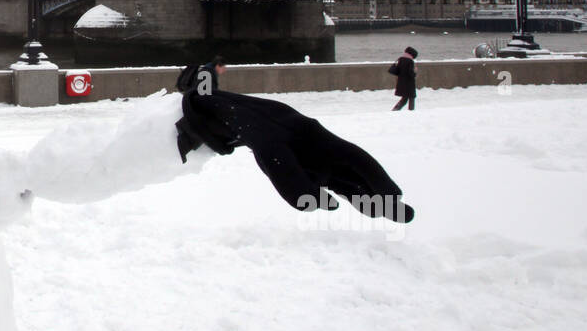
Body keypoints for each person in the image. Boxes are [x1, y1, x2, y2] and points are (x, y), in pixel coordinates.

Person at [176, 54, 414, 222]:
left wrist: (303, 195)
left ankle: (378, 198)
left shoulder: (211, 104)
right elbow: (206, 92)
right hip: (290, 122)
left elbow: (274, 157)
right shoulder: (209, 97)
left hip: (282, 128)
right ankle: (381, 197)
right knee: (342, 162)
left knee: (333, 169)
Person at [390, 46, 418, 111]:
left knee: (404, 98)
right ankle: (411, 111)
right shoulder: (410, 62)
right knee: (411, 97)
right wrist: (415, 72)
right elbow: (411, 74)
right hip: (409, 83)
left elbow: (398, 71)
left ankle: (395, 110)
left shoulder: (401, 60)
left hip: (401, 82)